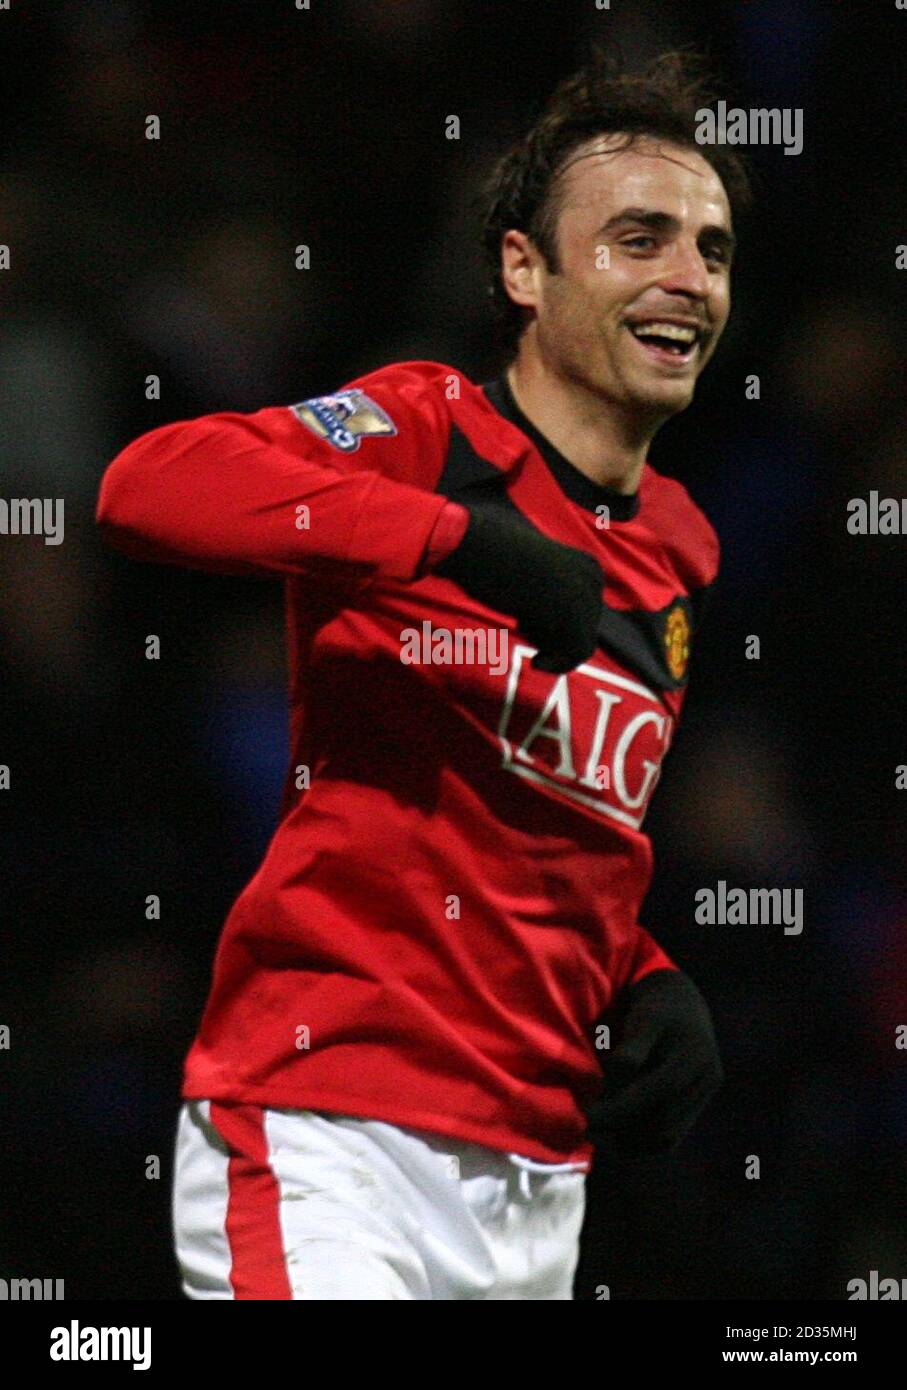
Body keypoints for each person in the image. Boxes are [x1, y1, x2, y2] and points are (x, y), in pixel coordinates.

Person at [96, 50, 748, 1301]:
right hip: (327, 1135)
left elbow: (552, 828)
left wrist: (644, 971)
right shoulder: (425, 431)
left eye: (711, 251)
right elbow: (147, 486)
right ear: (522, 269)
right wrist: (450, 539)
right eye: (638, 238)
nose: (686, 279)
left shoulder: (680, 548)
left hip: (536, 1188)